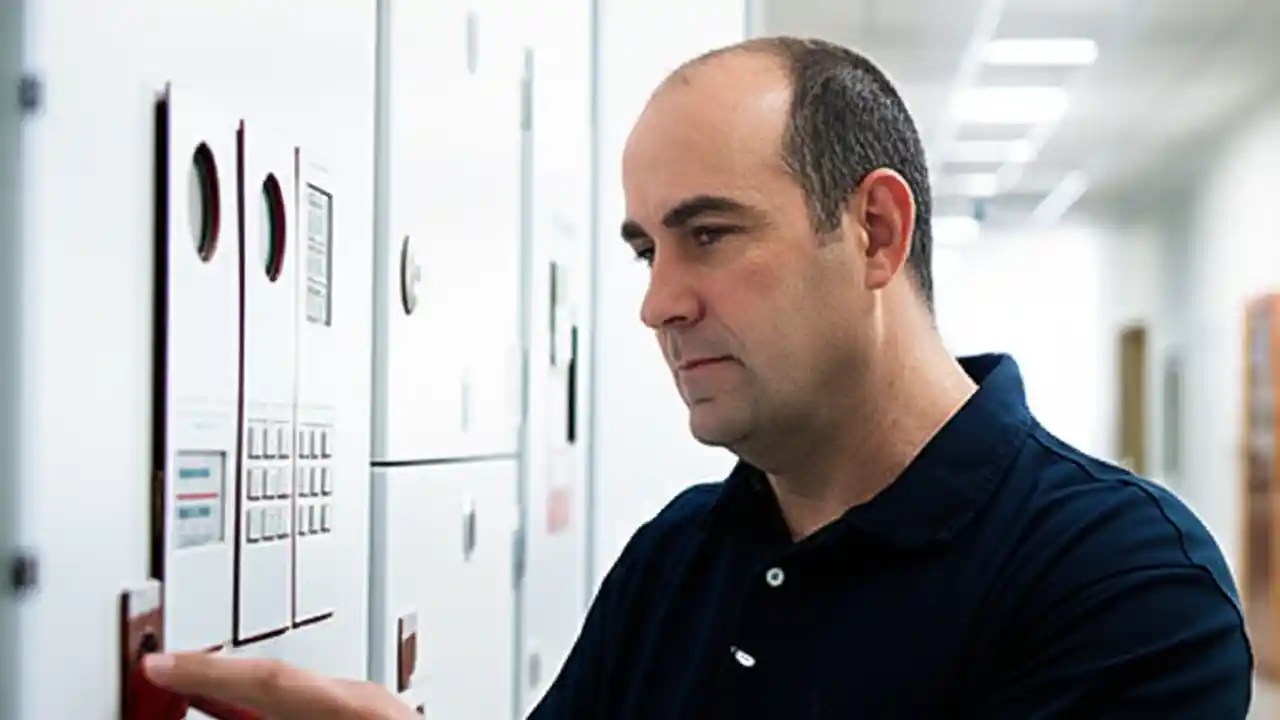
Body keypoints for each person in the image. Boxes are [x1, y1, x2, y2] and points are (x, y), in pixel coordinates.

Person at [143, 36, 1254, 718]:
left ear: (872, 232)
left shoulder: (1124, 589)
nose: (657, 302)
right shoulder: (677, 560)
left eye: (709, 235)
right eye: (644, 249)